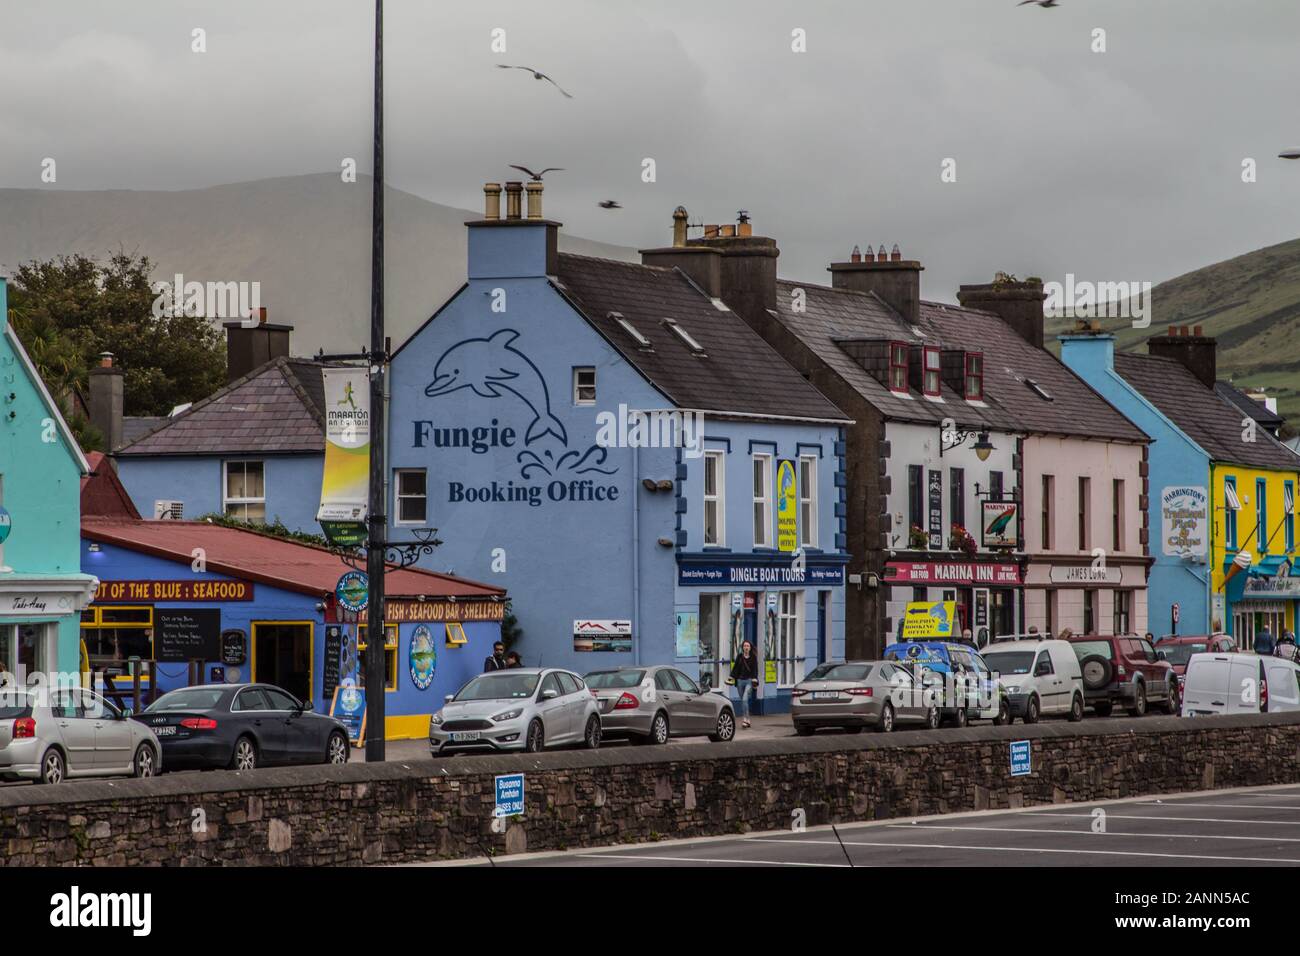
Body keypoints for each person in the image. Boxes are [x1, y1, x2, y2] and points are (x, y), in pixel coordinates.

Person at [727, 640, 760, 729]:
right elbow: (735, 668)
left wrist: (754, 678)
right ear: (742, 647)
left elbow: (755, 669)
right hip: (740, 681)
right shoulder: (739, 657)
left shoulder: (753, 657)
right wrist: (731, 677)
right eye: (745, 646)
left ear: (750, 648)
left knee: (745, 698)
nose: (746, 647)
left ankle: (745, 719)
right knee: (743, 701)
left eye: (748, 646)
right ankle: (748, 719)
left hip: (749, 680)